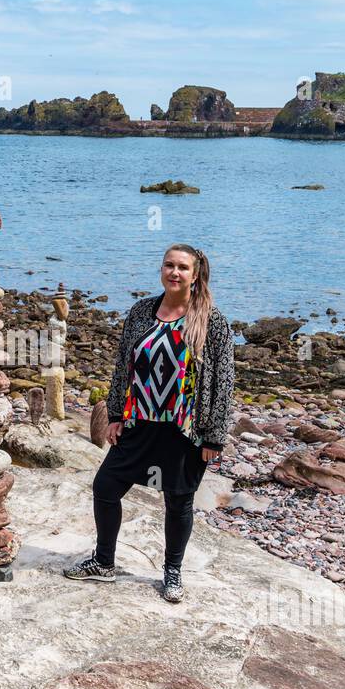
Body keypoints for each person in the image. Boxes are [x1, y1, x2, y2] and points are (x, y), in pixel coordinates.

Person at [64, 244, 234, 602]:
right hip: (139, 422)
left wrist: (214, 437)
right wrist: (114, 415)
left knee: (178, 501)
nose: (174, 273)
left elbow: (223, 381)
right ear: (161, 270)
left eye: (182, 268)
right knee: (106, 487)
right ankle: (104, 562)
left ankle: (172, 573)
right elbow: (122, 366)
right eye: (169, 266)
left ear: (196, 274)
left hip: (185, 429)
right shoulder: (142, 311)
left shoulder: (211, 320)